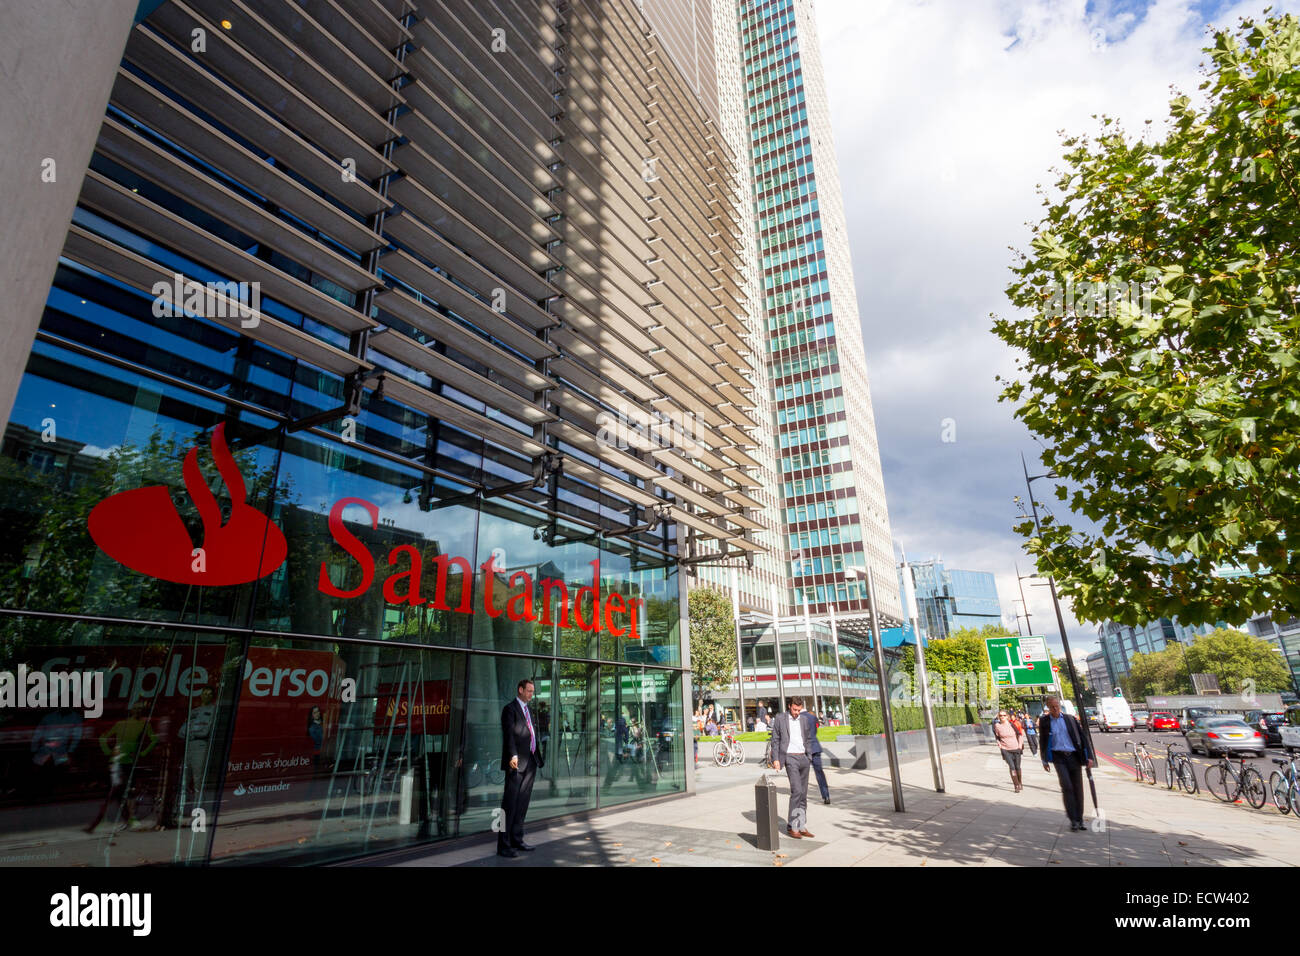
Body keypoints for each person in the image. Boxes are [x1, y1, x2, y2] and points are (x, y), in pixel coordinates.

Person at [498, 677, 545, 858]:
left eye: (533, 692)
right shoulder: (509, 709)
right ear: (520, 690)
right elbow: (509, 734)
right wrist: (513, 755)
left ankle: (517, 839)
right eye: (529, 691)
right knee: (508, 805)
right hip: (516, 762)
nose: (532, 695)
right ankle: (503, 845)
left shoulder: (528, 709)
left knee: (522, 803)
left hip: (531, 760)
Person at [1038, 694, 1094, 831]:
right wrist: (1044, 759)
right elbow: (1043, 741)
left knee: (1078, 789)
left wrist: (1090, 757)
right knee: (1067, 787)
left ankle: (1080, 820)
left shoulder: (1070, 719)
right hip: (1059, 758)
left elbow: (1083, 738)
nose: (1055, 708)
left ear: (1059, 705)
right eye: (1052, 707)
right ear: (1048, 708)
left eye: (1057, 706)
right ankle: (1073, 819)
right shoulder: (1045, 721)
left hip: (1074, 756)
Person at [770, 696, 816, 839]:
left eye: (799, 710)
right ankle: (792, 826)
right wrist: (776, 759)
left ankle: (801, 825)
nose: (797, 712)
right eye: (795, 709)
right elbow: (775, 739)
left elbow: (808, 738)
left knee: (803, 794)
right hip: (790, 758)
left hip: (803, 758)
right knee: (796, 791)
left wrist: (809, 757)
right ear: (789, 706)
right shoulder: (780, 718)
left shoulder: (804, 720)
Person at [993, 709, 1027, 792]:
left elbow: (1020, 735)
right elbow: (997, 737)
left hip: (1016, 748)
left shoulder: (1013, 724)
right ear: (998, 717)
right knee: (1012, 767)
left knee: (1017, 767)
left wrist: (1019, 746)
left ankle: (1020, 782)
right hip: (1005, 749)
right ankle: (1016, 785)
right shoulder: (997, 725)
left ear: (1007, 716)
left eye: (1004, 715)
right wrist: (1000, 745)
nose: (1002, 717)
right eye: (1000, 715)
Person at [807, 709, 830, 804]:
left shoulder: (802, 719)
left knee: (802, 774)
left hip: (806, 749)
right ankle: (826, 795)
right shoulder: (814, 719)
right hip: (815, 747)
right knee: (819, 773)